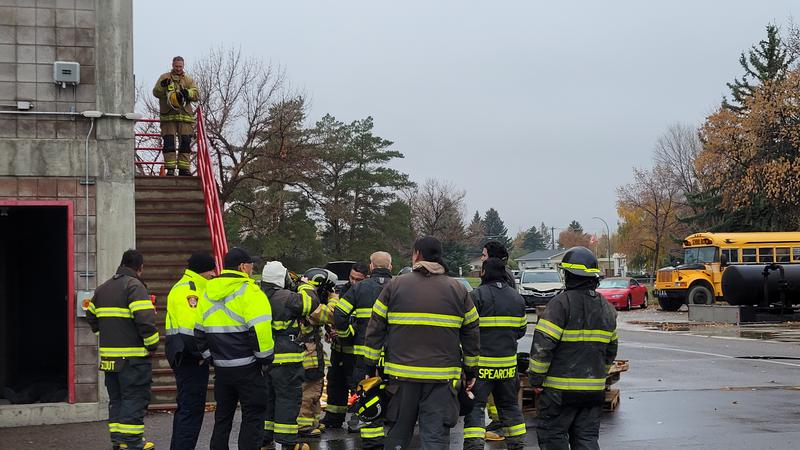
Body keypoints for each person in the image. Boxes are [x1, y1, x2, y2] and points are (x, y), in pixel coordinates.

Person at [363, 236, 480, 449]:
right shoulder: (458, 289)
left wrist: (370, 368)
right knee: (435, 438)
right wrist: (471, 371)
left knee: (398, 434)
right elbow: (472, 333)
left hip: (401, 378)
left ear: (417, 254)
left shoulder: (395, 285)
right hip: (442, 379)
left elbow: (375, 328)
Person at [528, 246, 618, 450]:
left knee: (553, 439)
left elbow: (542, 348)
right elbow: (611, 351)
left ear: (569, 274)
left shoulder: (559, 305)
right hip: (593, 393)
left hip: (559, 393)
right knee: (587, 441)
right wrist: (598, 377)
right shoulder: (607, 309)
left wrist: (536, 380)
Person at [195, 248, 274, 450]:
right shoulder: (251, 292)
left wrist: (212, 358)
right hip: (249, 367)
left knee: (222, 417)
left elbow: (199, 333)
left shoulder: (207, 292)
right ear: (242, 267)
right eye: (251, 265)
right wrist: (265, 360)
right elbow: (261, 332)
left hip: (222, 369)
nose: (252, 269)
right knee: (253, 417)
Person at [86, 249, 158, 450]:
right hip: (132, 359)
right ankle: (133, 442)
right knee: (134, 399)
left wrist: (106, 335)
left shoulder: (103, 288)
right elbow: (145, 321)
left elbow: (91, 316)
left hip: (110, 359)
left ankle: (119, 441)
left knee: (117, 400)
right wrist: (152, 345)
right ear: (140, 267)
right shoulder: (134, 286)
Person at [463, 258, 527, 450]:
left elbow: (466, 329)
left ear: (484, 272)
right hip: (508, 367)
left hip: (482, 367)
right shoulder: (517, 298)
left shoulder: (476, 296)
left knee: (476, 406)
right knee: (509, 406)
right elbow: (521, 331)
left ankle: (474, 445)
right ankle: (517, 444)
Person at [333, 251, 393, 446]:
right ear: (390, 267)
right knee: (396, 396)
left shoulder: (359, 288)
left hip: (365, 355)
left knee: (368, 396)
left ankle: (371, 441)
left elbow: (339, 314)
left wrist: (346, 337)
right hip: (395, 357)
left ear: (371, 267)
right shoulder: (400, 287)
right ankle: (395, 439)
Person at [260, 261, 320, 450]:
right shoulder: (286, 297)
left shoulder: (258, 295)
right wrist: (304, 285)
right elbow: (311, 303)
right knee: (288, 399)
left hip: (265, 357)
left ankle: (264, 439)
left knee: (269, 399)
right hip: (287, 359)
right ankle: (288, 443)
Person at [165, 252, 217, 450]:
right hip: (190, 357)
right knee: (191, 410)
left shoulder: (191, 287)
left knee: (188, 409)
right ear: (202, 270)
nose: (214, 274)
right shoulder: (190, 290)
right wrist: (203, 354)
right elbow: (191, 332)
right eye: (211, 270)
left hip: (185, 355)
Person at [319, 261, 365, 431]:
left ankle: (359, 417)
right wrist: (329, 330)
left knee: (356, 384)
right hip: (338, 348)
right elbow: (334, 315)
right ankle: (334, 417)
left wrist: (345, 332)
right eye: (352, 278)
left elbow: (363, 322)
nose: (354, 282)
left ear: (366, 278)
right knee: (335, 382)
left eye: (358, 279)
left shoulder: (366, 294)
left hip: (354, 350)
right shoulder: (343, 291)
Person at [296, 269, 339, 437]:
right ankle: (304, 426)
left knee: (315, 388)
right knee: (308, 390)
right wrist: (333, 299)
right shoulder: (308, 301)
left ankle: (313, 421)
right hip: (308, 352)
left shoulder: (304, 297)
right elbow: (330, 314)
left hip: (312, 350)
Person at [152, 56, 199, 176]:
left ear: (183, 66)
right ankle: (170, 169)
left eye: (180, 66)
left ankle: (184, 169)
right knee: (169, 143)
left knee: (185, 143)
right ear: (172, 65)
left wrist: (187, 92)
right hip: (168, 118)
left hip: (185, 118)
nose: (178, 68)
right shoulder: (164, 78)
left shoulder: (188, 80)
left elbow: (197, 94)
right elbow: (156, 92)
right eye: (176, 66)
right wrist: (162, 86)